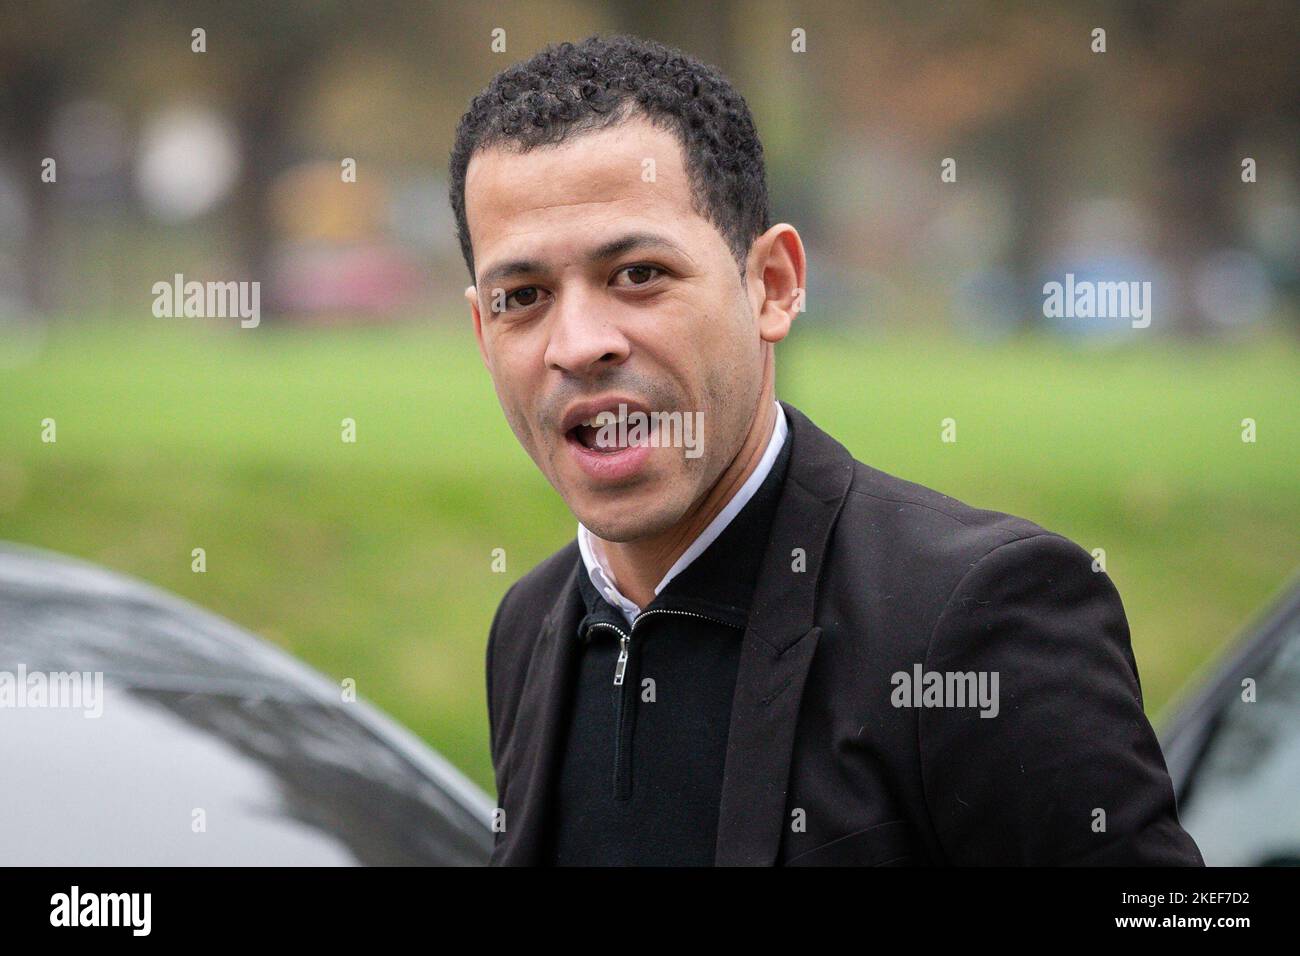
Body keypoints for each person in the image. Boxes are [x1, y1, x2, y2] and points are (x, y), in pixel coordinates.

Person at [449, 34, 1204, 866]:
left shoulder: (977, 613)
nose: (580, 343)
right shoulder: (528, 628)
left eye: (638, 274)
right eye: (523, 296)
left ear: (771, 284)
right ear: (484, 334)